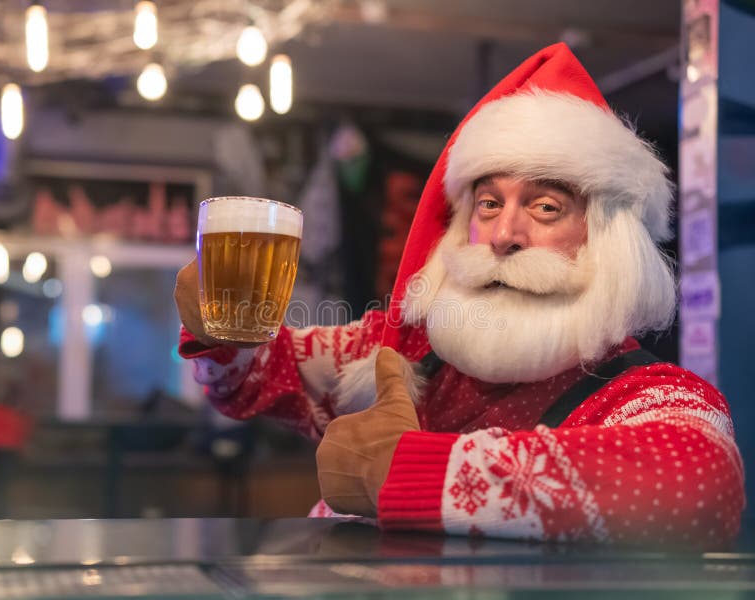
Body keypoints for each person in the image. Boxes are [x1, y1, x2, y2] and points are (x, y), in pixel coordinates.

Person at [175, 43, 744, 547]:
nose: (503, 235)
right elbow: (259, 379)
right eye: (488, 204)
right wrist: (220, 332)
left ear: (608, 238)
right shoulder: (401, 350)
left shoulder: (643, 392)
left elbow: (701, 484)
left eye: (545, 207)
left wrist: (409, 472)